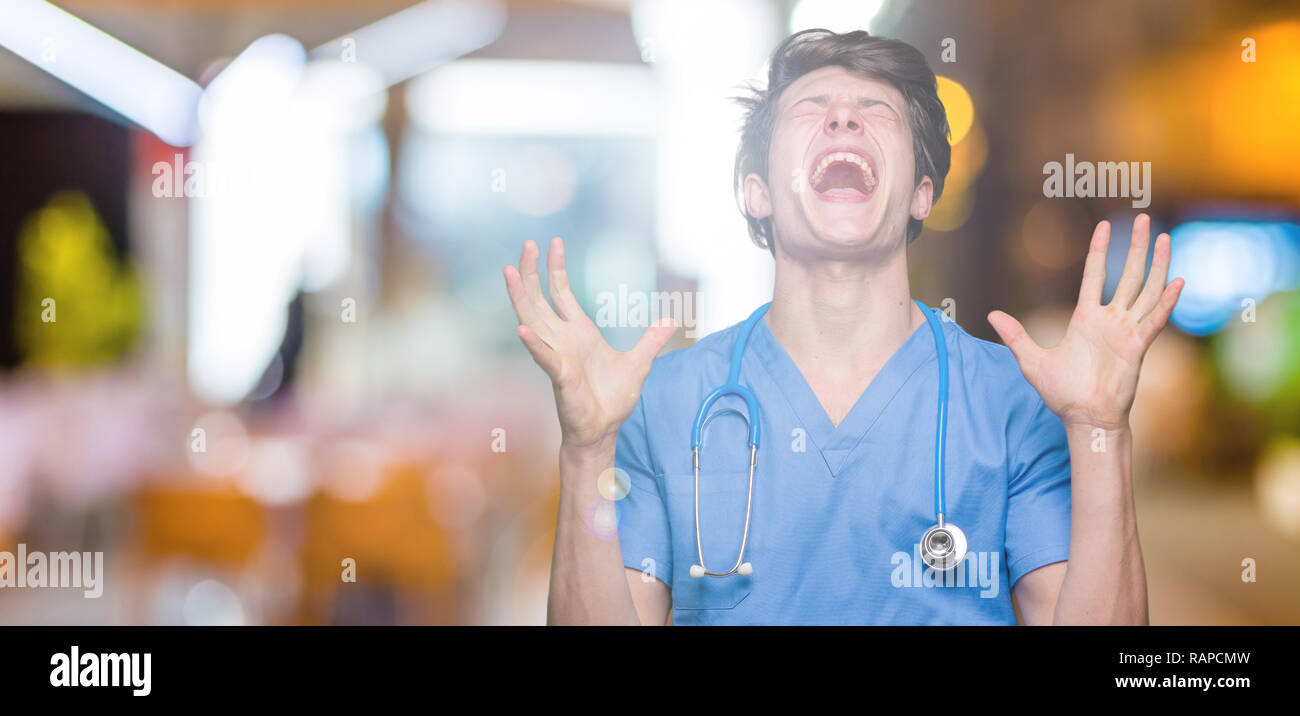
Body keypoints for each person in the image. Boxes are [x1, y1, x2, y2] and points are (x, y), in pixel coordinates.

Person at [503, 29, 1183, 625]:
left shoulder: (1015, 403)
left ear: (922, 190)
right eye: (812, 110)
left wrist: (1100, 431)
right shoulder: (664, 403)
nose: (843, 122)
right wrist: (587, 448)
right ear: (757, 191)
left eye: (873, 112)